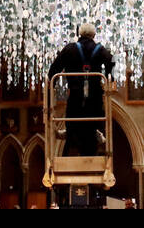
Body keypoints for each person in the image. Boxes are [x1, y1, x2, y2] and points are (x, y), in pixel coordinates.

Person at [48, 23, 114, 156]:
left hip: (75, 95)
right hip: (94, 97)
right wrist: (108, 77)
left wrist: (51, 86)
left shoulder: (70, 49)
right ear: (94, 35)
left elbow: (53, 70)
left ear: (79, 34)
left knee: (73, 121)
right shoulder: (100, 49)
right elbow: (111, 61)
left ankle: (70, 131)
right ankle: (96, 132)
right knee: (92, 123)